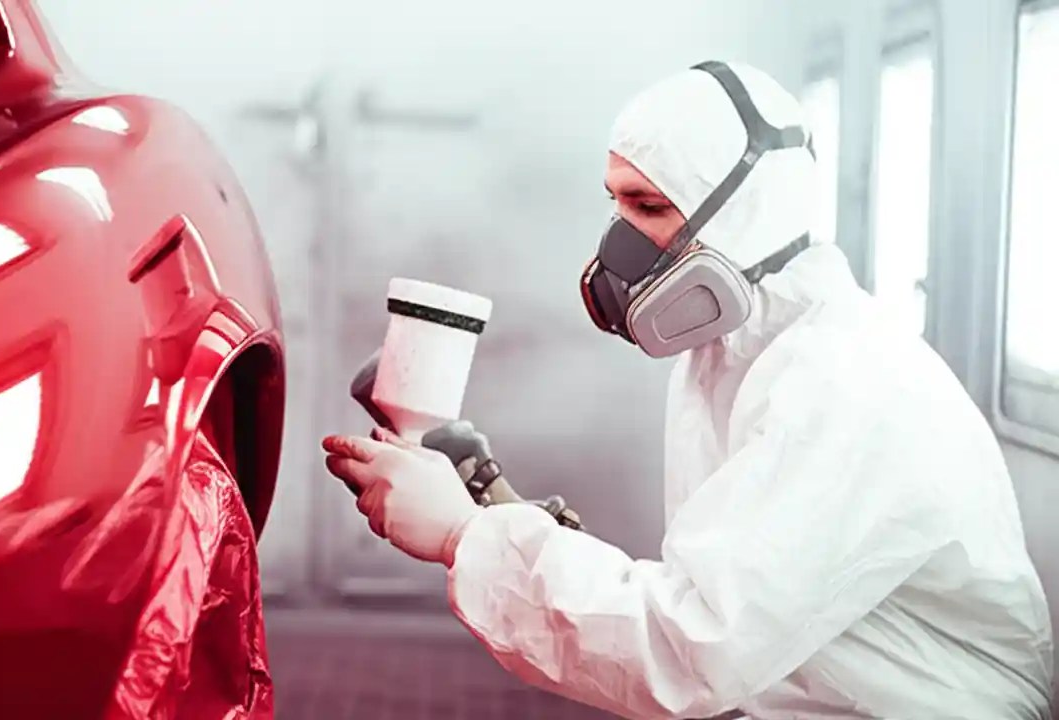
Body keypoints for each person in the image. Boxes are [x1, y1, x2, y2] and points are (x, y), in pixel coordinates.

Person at [322, 60, 1054, 719]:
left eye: (647, 208)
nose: (619, 246)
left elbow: (689, 647)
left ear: (742, 215)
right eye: (615, 206)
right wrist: (490, 496)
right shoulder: (725, 357)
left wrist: (464, 535)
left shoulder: (847, 386)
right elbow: (712, 594)